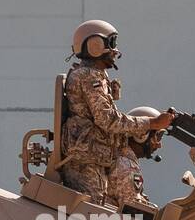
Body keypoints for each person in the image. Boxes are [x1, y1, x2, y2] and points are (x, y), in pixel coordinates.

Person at [60, 19, 173, 208]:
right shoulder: (88, 77)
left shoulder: (93, 75)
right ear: (95, 45)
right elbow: (108, 120)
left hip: (90, 156)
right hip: (85, 160)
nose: (115, 51)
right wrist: (152, 123)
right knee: (92, 217)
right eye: (111, 43)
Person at [107, 106, 165, 209]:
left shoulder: (115, 155)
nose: (159, 144)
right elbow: (134, 211)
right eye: (157, 137)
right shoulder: (127, 167)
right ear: (141, 136)